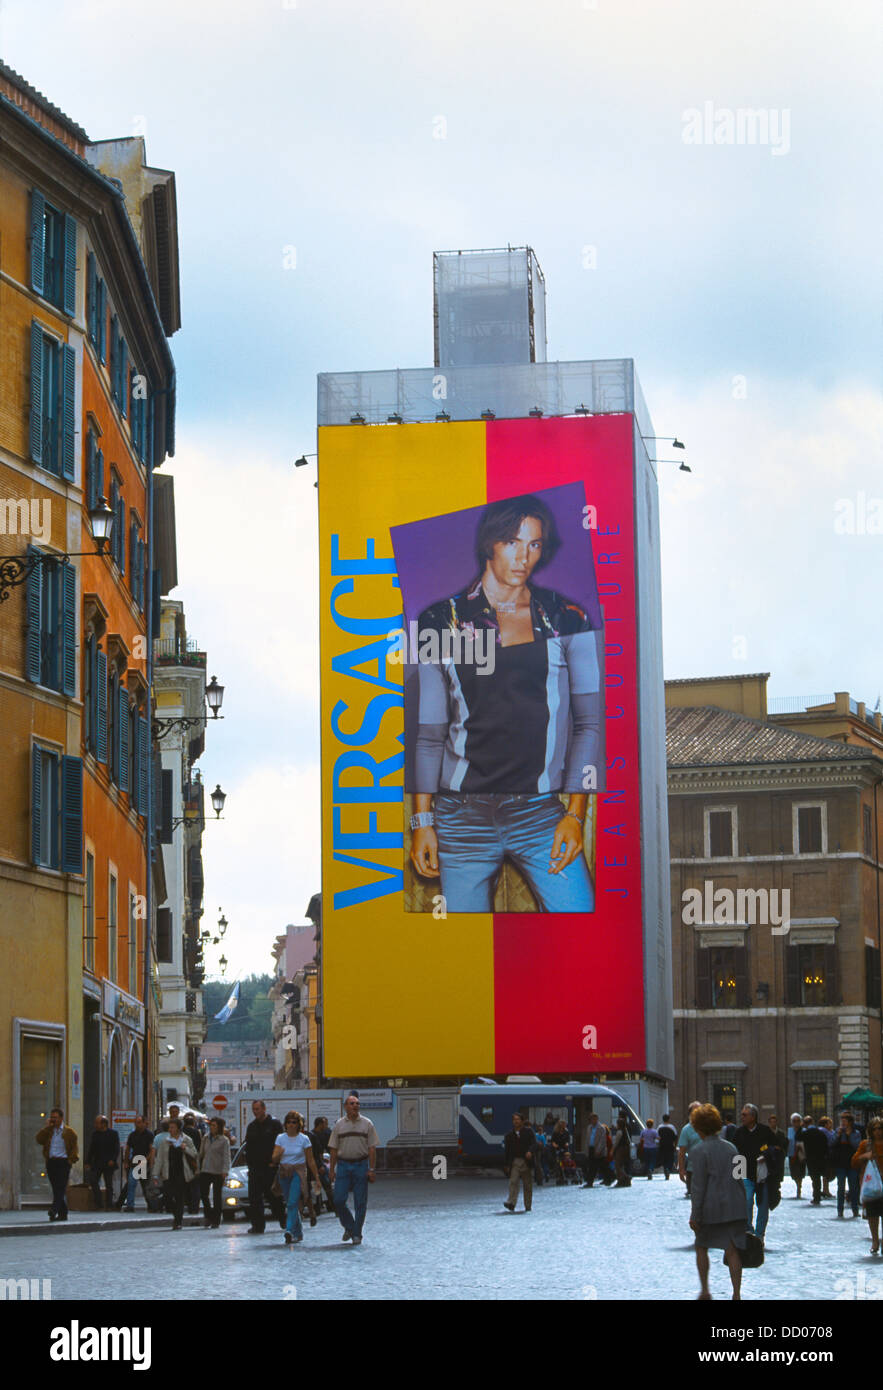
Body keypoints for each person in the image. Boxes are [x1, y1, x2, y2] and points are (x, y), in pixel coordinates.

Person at [408, 494, 602, 915]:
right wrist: (422, 822)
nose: (524, 557)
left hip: (539, 814)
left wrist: (574, 813)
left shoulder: (568, 617)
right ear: (490, 543)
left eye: (534, 545)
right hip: (461, 817)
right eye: (513, 542)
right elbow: (428, 733)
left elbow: (589, 724)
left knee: (581, 923)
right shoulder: (440, 620)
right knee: (466, 956)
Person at [689, 1103, 746, 1302]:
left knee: (701, 1246)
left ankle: (705, 1291)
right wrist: (746, 1208)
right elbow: (741, 1177)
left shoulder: (698, 1151)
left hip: (711, 1208)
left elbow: (698, 1187)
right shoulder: (732, 1147)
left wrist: (695, 1214)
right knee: (732, 1250)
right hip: (735, 1206)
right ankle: (736, 1294)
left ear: (697, 1127)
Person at [328, 1093, 380, 1246]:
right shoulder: (339, 1125)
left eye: (357, 1103)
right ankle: (349, 1226)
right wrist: (332, 1169)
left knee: (360, 1202)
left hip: (360, 1165)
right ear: (345, 1107)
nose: (355, 1106)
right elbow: (333, 1149)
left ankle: (357, 1234)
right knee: (338, 1200)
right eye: (352, 1103)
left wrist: (372, 1169)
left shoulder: (367, 1124)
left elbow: (372, 1148)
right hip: (343, 1165)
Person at [271, 1111, 320, 1245]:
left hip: (298, 1172)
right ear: (285, 1124)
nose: (291, 1125)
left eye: (294, 1122)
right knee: (290, 1203)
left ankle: (289, 1230)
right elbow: (274, 1158)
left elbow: (311, 1161)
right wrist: (278, 1154)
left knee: (293, 1202)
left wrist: (317, 1177)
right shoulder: (280, 1138)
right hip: (284, 1172)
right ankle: (298, 1232)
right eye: (289, 1122)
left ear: (299, 1124)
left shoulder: (304, 1139)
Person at [734, 1103, 776, 1241]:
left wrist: (767, 1155)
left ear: (753, 1116)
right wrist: (736, 1176)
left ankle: (759, 1235)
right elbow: (735, 1154)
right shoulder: (739, 1133)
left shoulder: (765, 1131)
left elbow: (776, 1147)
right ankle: (748, 1229)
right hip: (745, 1173)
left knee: (763, 1205)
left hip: (762, 1175)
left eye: (744, 1115)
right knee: (746, 1201)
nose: (742, 1117)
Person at [244, 1099, 284, 1234]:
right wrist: (249, 1166)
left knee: (273, 1196)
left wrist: (276, 1162)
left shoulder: (274, 1124)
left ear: (264, 1109)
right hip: (255, 1168)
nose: (255, 1112)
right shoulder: (252, 1126)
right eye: (254, 1109)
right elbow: (248, 1147)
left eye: (257, 1109)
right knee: (254, 1198)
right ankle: (257, 1225)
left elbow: (281, 1144)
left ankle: (283, 1219)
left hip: (270, 1167)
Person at [153, 1117, 198, 1229]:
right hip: (169, 1172)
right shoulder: (165, 1141)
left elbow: (194, 1154)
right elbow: (160, 1158)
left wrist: (185, 1148)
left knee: (179, 1198)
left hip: (182, 1172)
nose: (170, 1129)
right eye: (169, 1127)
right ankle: (176, 1214)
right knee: (167, 1196)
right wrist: (155, 1173)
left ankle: (178, 1221)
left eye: (172, 1127)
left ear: (178, 1128)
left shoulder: (186, 1140)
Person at [35, 1107, 78, 1222]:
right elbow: (39, 1139)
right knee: (56, 1188)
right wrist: (47, 1127)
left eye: (56, 1118)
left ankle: (54, 1210)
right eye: (52, 1117)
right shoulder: (49, 1131)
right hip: (51, 1162)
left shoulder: (69, 1132)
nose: (53, 1120)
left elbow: (74, 1148)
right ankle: (63, 1213)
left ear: (61, 1118)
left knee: (61, 1187)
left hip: (63, 1162)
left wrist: (71, 1160)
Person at [852, 1117, 883, 1253]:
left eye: (880, 1128)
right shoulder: (866, 1144)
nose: (878, 1131)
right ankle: (875, 1241)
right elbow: (854, 1162)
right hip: (872, 1185)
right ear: (870, 1130)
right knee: (873, 1214)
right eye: (875, 1129)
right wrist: (865, 1156)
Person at [199, 1117, 231, 1228]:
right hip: (205, 1169)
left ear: (219, 1127)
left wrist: (225, 1170)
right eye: (211, 1125)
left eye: (214, 1126)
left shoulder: (224, 1140)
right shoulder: (205, 1138)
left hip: (217, 1171)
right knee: (203, 1194)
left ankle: (216, 1219)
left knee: (217, 1196)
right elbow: (201, 1153)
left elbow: (227, 1157)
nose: (211, 1128)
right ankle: (208, 1215)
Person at [118, 1115, 155, 1212]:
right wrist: (125, 1161)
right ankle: (130, 1205)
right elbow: (128, 1148)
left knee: (145, 1185)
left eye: (139, 1122)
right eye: (136, 1122)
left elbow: (151, 1150)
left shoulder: (149, 1135)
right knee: (131, 1183)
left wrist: (146, 1161)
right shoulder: (132, 1135)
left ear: (144, 1123)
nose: (137, 1124)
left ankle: (151, 1205)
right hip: (135, 1162)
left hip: (143, 1162)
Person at [85, 1115, 120, 1211]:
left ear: (104, 1124)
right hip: (97, 1162)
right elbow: (91, 1149)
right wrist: (87, 1161)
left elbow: (116, 1149)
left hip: (109, 1163)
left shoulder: (113, 1134)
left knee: (109, 1184)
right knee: (93, 1180)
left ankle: (109, 1204)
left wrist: (113, 1160)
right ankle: (99, 1202)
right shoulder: (95, 1134)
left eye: (97, 1123)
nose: (95, 1125)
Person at [831, 1113, 862, 1219]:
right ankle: (840, 1210)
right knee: (841, 1188)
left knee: (853, 1188)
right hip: (840, 1163)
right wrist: (837, 1135)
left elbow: (857, 1146)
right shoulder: (837, 1131)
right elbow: (831, 1143)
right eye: (841, 1121)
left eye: (845, 1121)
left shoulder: (856, 1133)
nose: (843, 1123)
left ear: (850, 1122)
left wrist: (849, 1136)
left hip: (852, 1163)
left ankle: (855, 1210)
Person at [503, 1112, 535, 1212]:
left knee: (527, 1185)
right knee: (513, 1181)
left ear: (522, 1121)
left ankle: (528, 1205)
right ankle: (511, 1202)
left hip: (526, 1161)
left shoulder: (529, 1132)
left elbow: (534, 1144)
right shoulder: (509, 1135)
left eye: (518, 1119)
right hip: (515, 1161)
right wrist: (507, 1164)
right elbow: (507, 1151)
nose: (516, 1121)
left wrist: (530, 1151)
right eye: (514, 1119)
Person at [800, 1115, 830, 1206]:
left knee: (815, 1178)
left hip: (811, 1159)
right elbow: (826, 1144)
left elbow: (797, 1137)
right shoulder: (820, 1132)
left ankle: (816, 1196)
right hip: (820, 1158)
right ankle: (818, 1195)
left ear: (805, 1124)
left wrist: (800, 1127)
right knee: (819, 1178)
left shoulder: (806, 1133)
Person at [307, 1117, 335, 1211]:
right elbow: (317, 1153)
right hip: (317, 1165)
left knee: (319, 1186)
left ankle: (323, 1206)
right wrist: (321, 1165)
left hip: (317, 1164)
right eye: (325, 1124)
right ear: (320, 1124)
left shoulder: (315, 1134)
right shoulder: (312, 1136)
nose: (326, 1126)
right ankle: (331, 1206)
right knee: (325, 1185)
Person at [678, 1102, 702, 1197]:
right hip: (693, 1169)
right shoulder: (686, 1130)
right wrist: (681, 1170)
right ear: (690, 1114)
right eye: (695, 1111)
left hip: (709, 1168)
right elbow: (682, 1152)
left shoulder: (708, 1127)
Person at [581, 1113, 610, 1188]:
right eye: (591, 1119)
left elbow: (602, 1140)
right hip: (591, 1148)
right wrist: (586, 1149)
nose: (592, 1121)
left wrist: (599, 1150)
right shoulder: (589, 1127)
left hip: (598, 1149)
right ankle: (591, 1181)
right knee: (592, 1166)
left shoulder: (601, 1128)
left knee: (600, 1166)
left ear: (596, 1119)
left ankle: (607, 1179)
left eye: (593, 1119)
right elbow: (587, 1139)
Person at [182, 1113, 203, 1215]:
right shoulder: (197, 1132)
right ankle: (194, 1207)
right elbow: (199, 1148)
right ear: (194, 1123)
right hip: (194, 1160)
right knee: (195, 1185)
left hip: (183, 1161)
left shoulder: (181, 1133)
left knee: (186, 1184)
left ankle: (188, 1204)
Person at [787, 1113, 806, 1197]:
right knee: (794, 1172)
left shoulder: (804, 1131)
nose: (796, 1123)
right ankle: (797, 1183)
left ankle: (799, 1186)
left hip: (801, 1155)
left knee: (800, 1171)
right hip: (791, 1154)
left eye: (798, 1121)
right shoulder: (789, 1131)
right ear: (791, 1122)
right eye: (794, 1121)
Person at [548, 1118, 571, 1185]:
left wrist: (567, 1143)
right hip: (557, 1149)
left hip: (564, 1149)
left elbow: (568, 1140)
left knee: (564, 1163)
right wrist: (554, 1144)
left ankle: (564, 1176)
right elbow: (552, 1141)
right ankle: (559, 1176)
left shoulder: (566, 1132)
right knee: (558, 1163)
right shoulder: (555, 1132)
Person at [612, 1116, 631, 1187]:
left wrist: (612, 1150)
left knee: (617, 1165)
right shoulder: (625, 1131)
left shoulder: (619, 1132)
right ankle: (624, 1180)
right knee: (621, 1165)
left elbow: (616, 1143)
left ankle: (623, 1178)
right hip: (626, 1149)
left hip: (620, 1149)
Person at [657, 1114, 678, 1179]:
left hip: (662, 1145)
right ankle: (668, 1169)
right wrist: (675, 1145)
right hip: (670, 1145)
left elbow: (657, 1137)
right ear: (668, 1119)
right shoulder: (672, 1127)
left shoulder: (659, 1127)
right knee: (670, 1158)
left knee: (664, 1158)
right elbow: (676, 1137)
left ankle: (665, 1168)